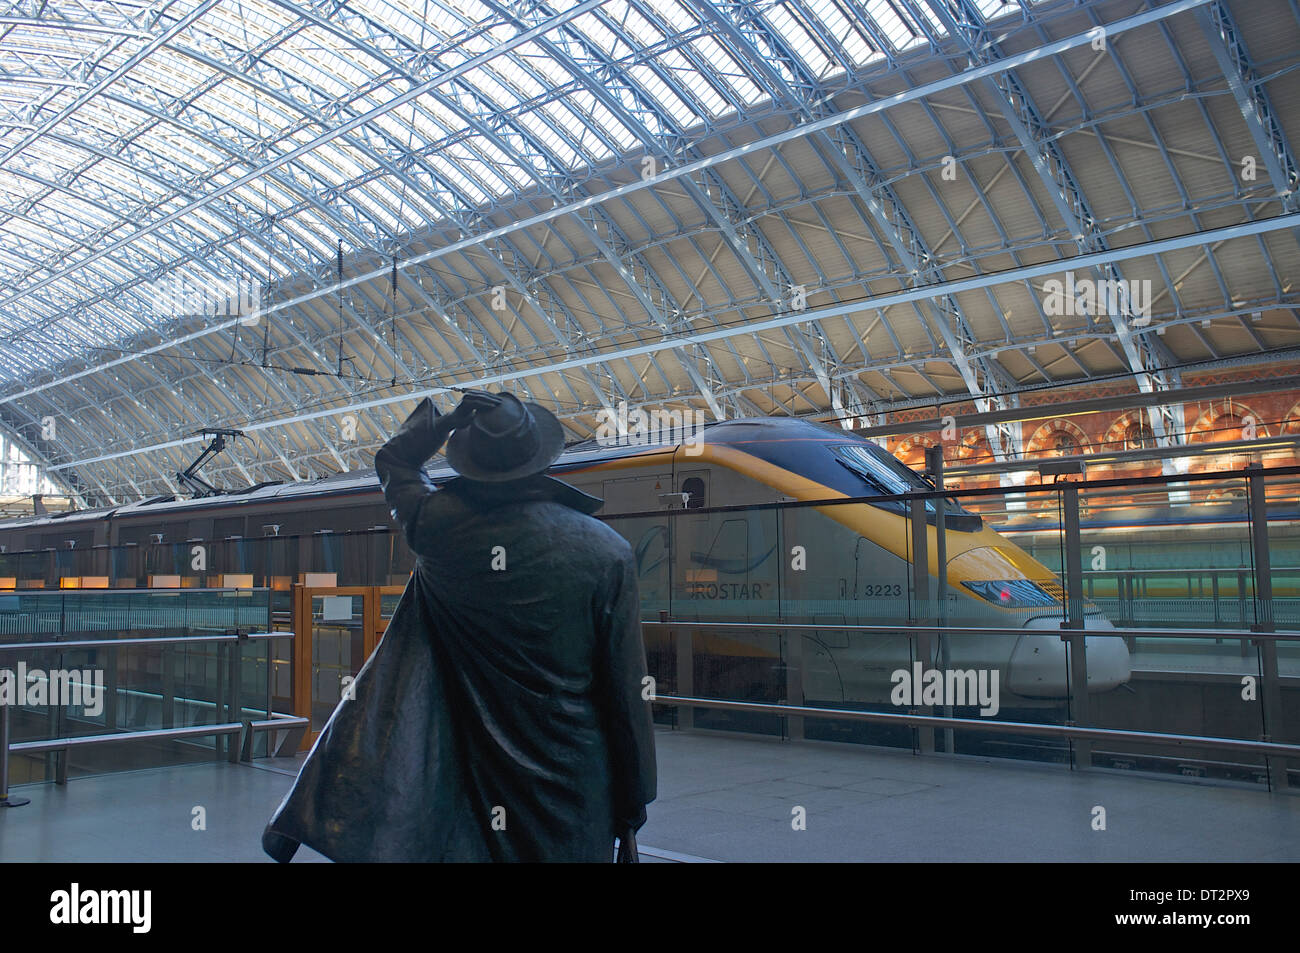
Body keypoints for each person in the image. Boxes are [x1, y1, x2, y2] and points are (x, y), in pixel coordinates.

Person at [262, 390, 656, 862]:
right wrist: (634, 799)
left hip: (462, 775)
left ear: (472, 465)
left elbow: (395, 462)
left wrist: (443, 422)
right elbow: (627, 691)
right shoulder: (607, 551)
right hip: (571, 781)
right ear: (539, 459)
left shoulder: (437, 526)